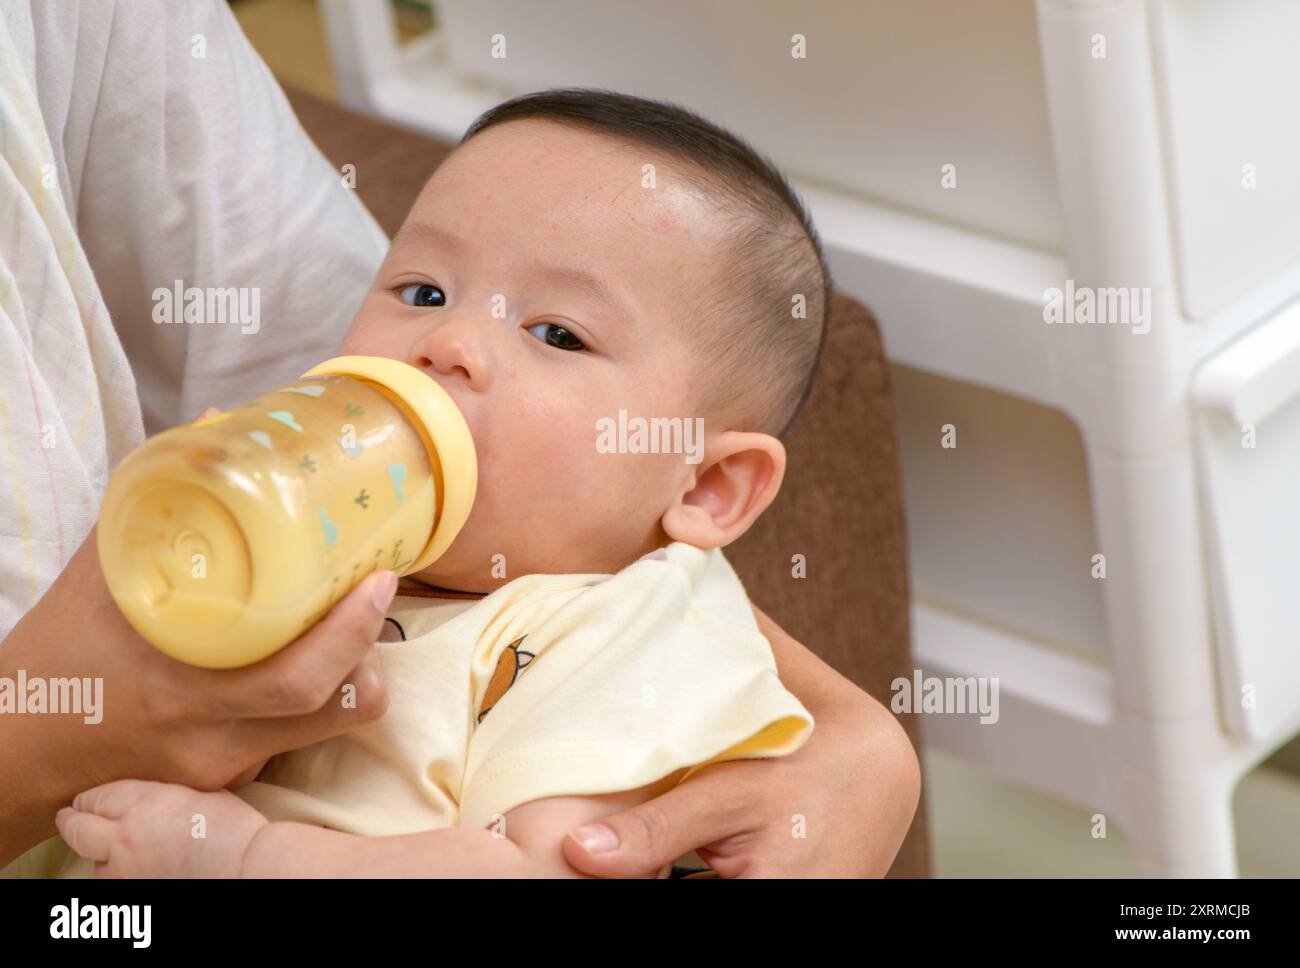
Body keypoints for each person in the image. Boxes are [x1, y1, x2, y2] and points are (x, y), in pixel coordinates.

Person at [0, 0, 920, 877]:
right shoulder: (328, 539)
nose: (449, 344)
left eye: (558, 333)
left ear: (708, 489)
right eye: (424, 291)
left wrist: (247, 858)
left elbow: (543, 871)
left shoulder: (625, 629)